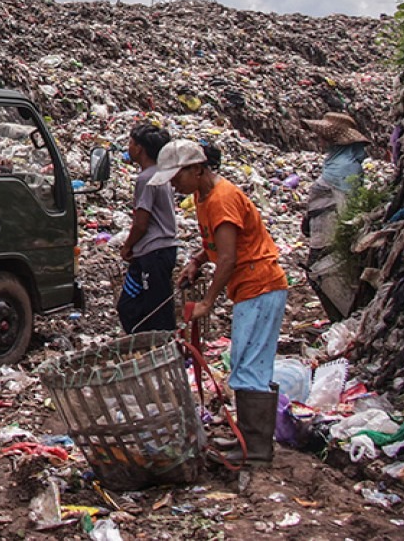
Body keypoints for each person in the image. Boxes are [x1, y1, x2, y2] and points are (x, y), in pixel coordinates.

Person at [157, 139, 288, 466]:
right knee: (247, 363)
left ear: (197, 169)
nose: (174, 184)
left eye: (177, 176)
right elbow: (218, 243)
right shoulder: (202, 196)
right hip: (250, 288)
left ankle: (256, 450)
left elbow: (228, 257)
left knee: (249, 368)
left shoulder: (222, 199)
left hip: (259, 285)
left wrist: (206, 302)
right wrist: (199, 260)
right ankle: (249, 440)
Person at [300, 112, 371, 320]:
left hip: (330, 234)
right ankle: (342, 320)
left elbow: (345, 204)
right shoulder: (336, 161)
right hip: (321, 229)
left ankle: (343, 321)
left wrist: (343, 237)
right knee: (321, 275)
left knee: (323, 275)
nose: (320, 140)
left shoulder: (344, 167)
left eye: (323, 136)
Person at [116, 124, 179, 334]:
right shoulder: (160, 174)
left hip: (154, 253)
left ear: (140, 149)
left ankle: (162, 349)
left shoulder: (147, 178)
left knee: (154, 310)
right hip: (157, 252)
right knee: (139, 304)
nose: (129, 147)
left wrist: (127, 246)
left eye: (131, 143)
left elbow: (141, 223)